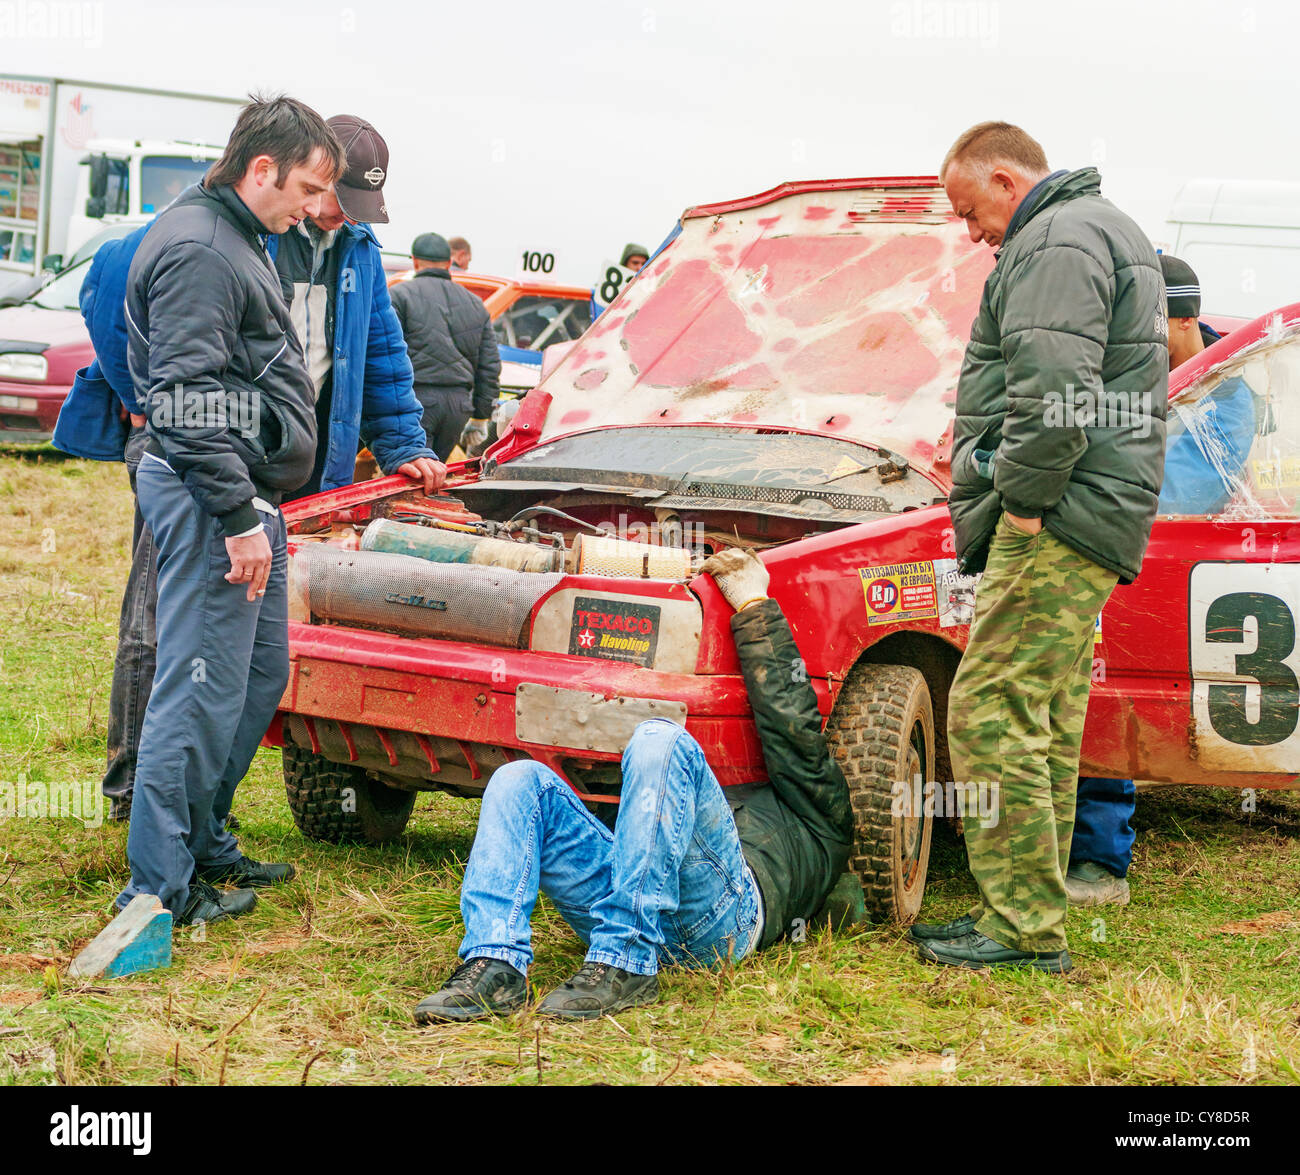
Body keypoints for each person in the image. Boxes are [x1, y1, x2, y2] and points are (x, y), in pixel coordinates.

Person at [53, 113, 444, 824]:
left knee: (248, 644)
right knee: (162, 620)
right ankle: (138, 789)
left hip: (289, 465)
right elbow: (111, 287)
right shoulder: (227, 232)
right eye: (326, 195)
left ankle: (200, 810)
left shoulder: (354, 251)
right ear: (300, 172)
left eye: (347, 205)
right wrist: (147, 397)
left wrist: (406, 443)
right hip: (200, 456)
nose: (329, 214)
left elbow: (381, 358)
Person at [910, 122, 1166, 972]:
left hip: (1056, 514)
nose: (969, 230)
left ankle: (1020, 928)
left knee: (988, 709)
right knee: (1044, 715)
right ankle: (1030, 915)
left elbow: (1055, 389)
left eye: (969, 208)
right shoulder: (1101, 226)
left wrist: (1019, 502)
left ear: (1006, 178)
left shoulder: (1054, 239)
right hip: (1094, 510)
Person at [413, 548, 853, 1022]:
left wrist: (753, 606)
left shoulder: (816, 804)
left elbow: (790, 718)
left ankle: (626, 959)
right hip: (624, 898)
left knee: (657, 738)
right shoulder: (677, 785)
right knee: (519, 780)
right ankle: (494, 964)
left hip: (724, 922)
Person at [114, 95, 343, 927]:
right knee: (200, 684)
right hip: (217, 498)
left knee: (255, 675)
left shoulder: (237, 236)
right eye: (306, 187)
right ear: (260, 169)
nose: (313, 207)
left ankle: (204, 835)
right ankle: (161, 887)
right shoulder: (204, 249)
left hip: (250, 495)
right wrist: (237, 514)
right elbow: (181, 395)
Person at [1068, 255, 1255, 909]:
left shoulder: (1230, 390)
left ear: (1185, 319)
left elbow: (1187, 487)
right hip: (1112, 554)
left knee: (1113, 702)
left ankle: (1098, 861)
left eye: (1147, 330)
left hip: (1184, 569)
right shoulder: (1124, 377)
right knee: (1088, 693)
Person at [389, 231, 500, 460]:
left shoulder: (399, 296)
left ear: (415, 260)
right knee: (435, 475)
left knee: (409, 479)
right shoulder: (475, 303)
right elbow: (489, 365)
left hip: (414, 402)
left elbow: (386, 355)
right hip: (458, 408)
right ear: (450, 263)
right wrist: (481, 417)